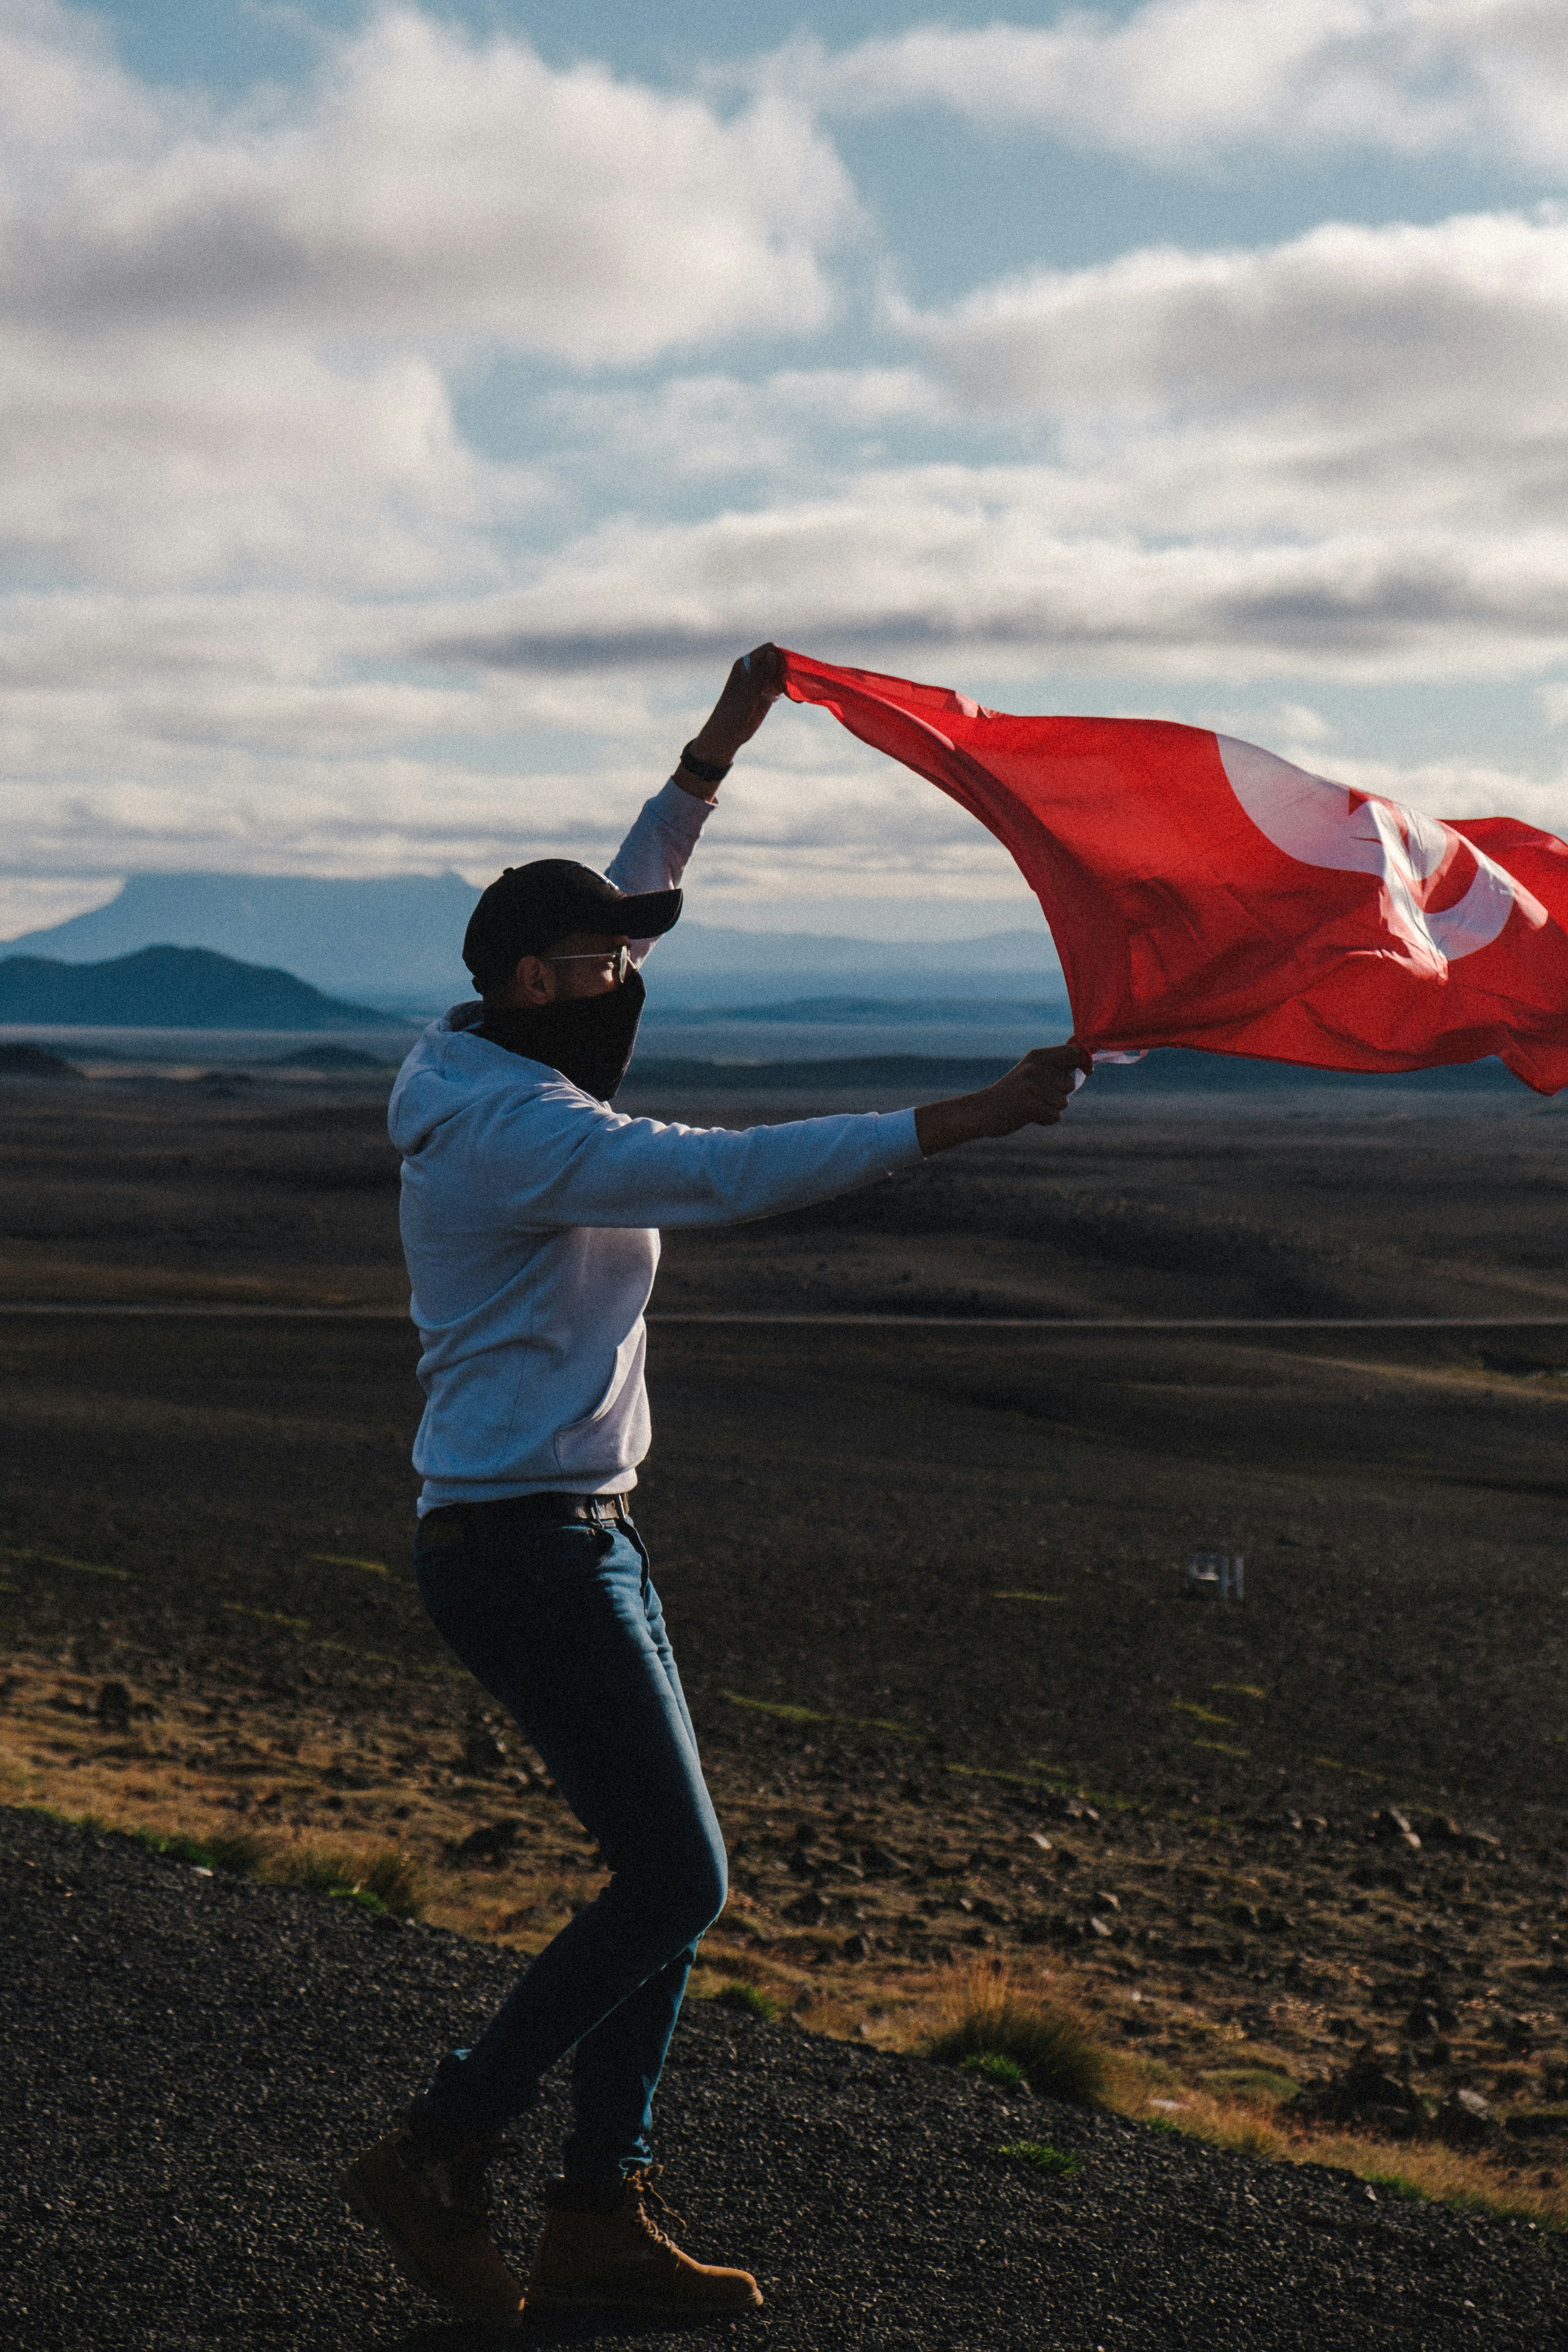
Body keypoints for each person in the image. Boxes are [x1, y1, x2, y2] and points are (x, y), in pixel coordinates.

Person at [341, 644, 1089, 2327]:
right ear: (538, 983)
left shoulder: (511, 1052)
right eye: (605, 964)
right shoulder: (519, 1134)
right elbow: (729, 1175)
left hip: (579, 1534)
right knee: (677, 1881)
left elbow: (635, 882)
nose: (632, 981)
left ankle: (597, 2213)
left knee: (663, 1880)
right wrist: (966, 1119)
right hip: (525, 1552)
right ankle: (440, 2146)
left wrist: (714, 752)